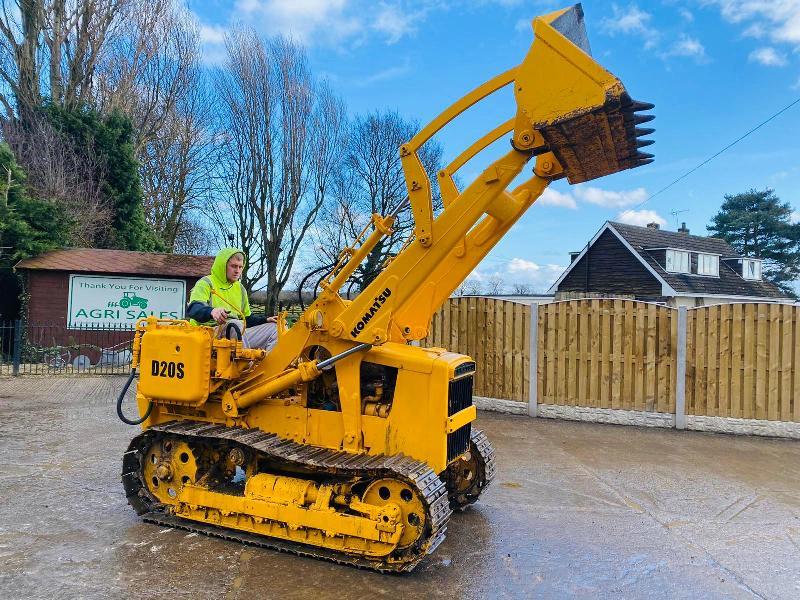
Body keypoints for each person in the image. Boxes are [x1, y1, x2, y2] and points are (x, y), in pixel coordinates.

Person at [186, 247, 278, 352]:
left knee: (275, 328)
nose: (237, 271)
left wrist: (265, 320)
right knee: (235, 324)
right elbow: (194, 308)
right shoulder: (206, 283)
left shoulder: (240, 289)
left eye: (240, 267)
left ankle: (267, 367)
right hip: (207, 334)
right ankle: (245, 366)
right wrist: (212, 311)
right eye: (233, 266)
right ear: (223, 266)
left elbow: (246, 318)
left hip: (236, 333)